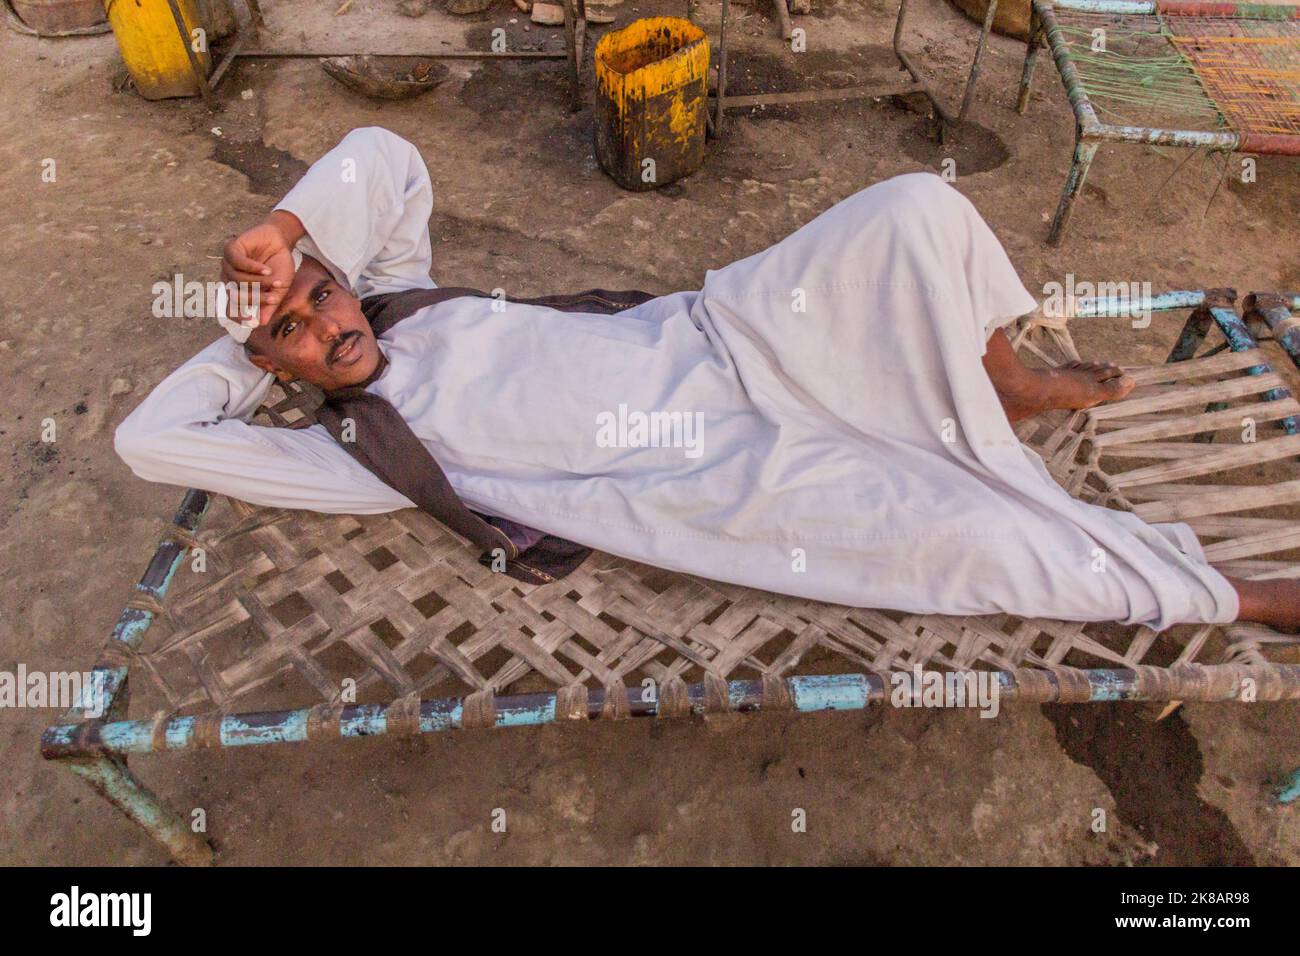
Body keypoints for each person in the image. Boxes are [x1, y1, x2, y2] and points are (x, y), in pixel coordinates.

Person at [115, 127, 1297, 631]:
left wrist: (282, 233)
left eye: (319, 295)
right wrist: (241, 331)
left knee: (911, 207)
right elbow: (148, 442)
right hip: (734, 473)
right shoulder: (359, 454)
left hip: (728, 335)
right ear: (278, 374)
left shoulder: (399, 296)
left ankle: (1001, 381)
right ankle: (1236, 596)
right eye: (299, 340)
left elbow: (391, 162)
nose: (328, 329)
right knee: (967, 538)